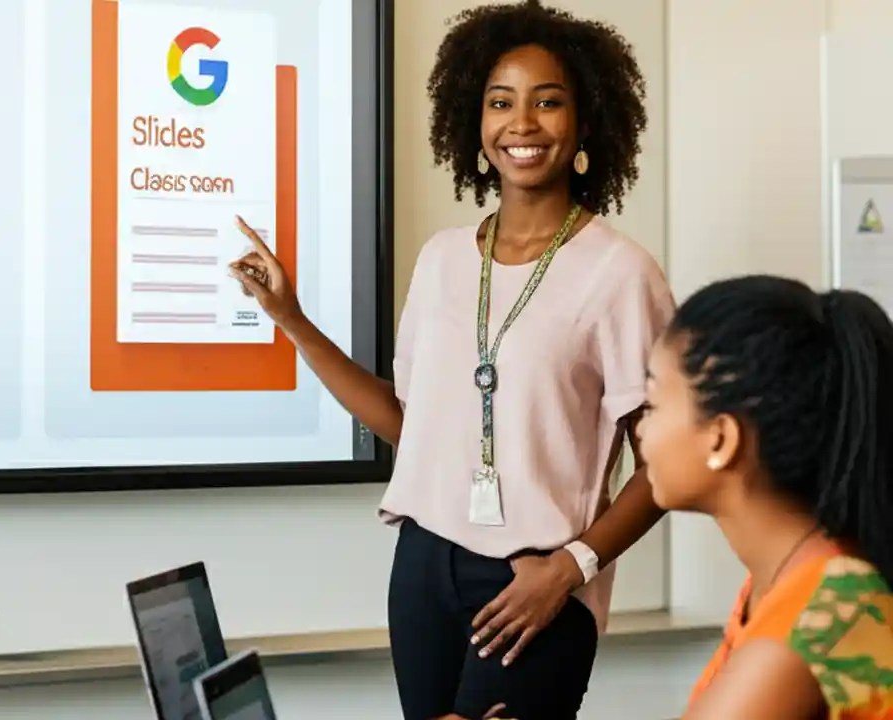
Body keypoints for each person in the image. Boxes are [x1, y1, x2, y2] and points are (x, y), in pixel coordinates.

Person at [229, 1, 671, 717]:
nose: (521, 124)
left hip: (535, 582)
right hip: (422, 566)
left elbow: (669, 464)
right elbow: (411, 426)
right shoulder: (440, 260)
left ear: (586, 122)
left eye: (548, 102)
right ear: (475, 118)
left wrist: (573, 568)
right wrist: (292, 320)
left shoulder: (621, 274)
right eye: (501, 102)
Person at [636, 275, 893, 720]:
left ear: (721, 438)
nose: (640, 428)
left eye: (653, 404)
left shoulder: (829, 612)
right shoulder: (785, 582)